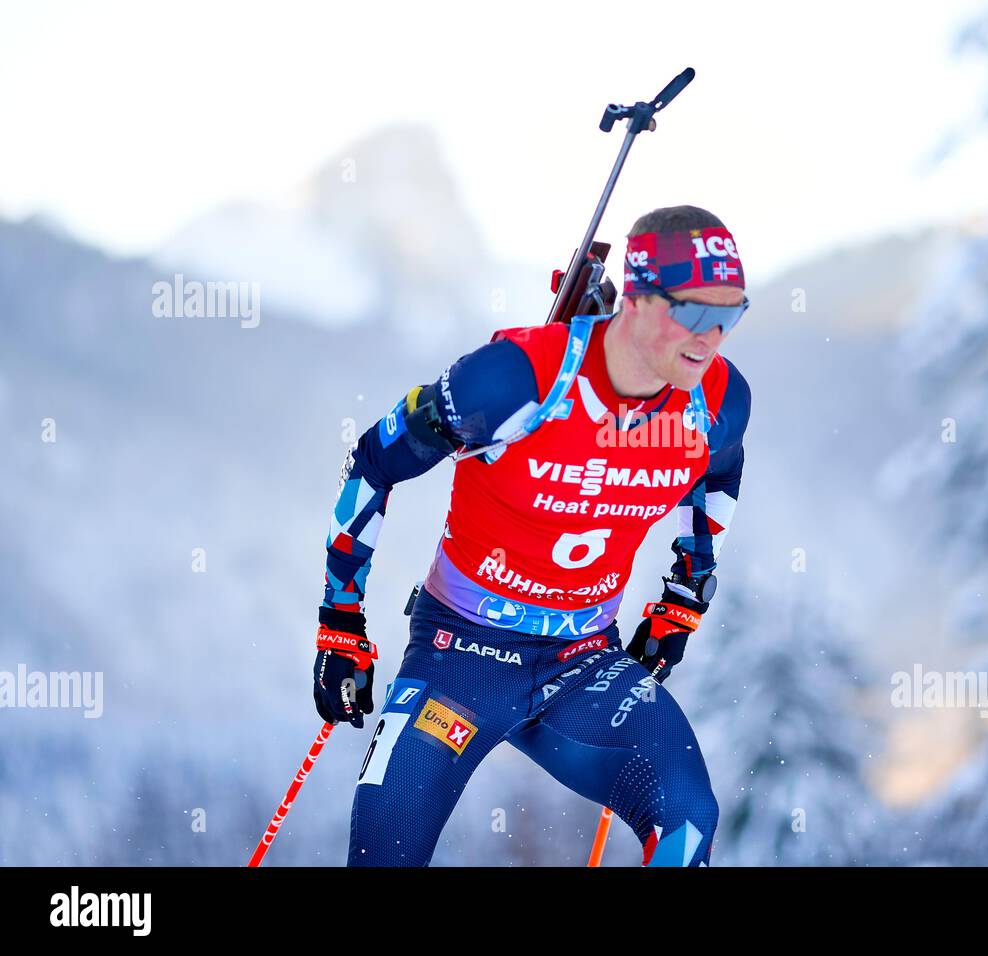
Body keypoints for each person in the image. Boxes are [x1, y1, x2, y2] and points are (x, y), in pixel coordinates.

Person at [312, 204, 752, 866]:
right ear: (633, 298)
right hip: (460, 657)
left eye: (730, 313)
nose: (710, 335)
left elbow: (718, 474)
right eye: (692, 310)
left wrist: (683, 602)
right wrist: (341, 620)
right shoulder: (517, 380)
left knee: (688, 820)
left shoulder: (715, 399)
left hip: (584, 664)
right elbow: (375, 460)